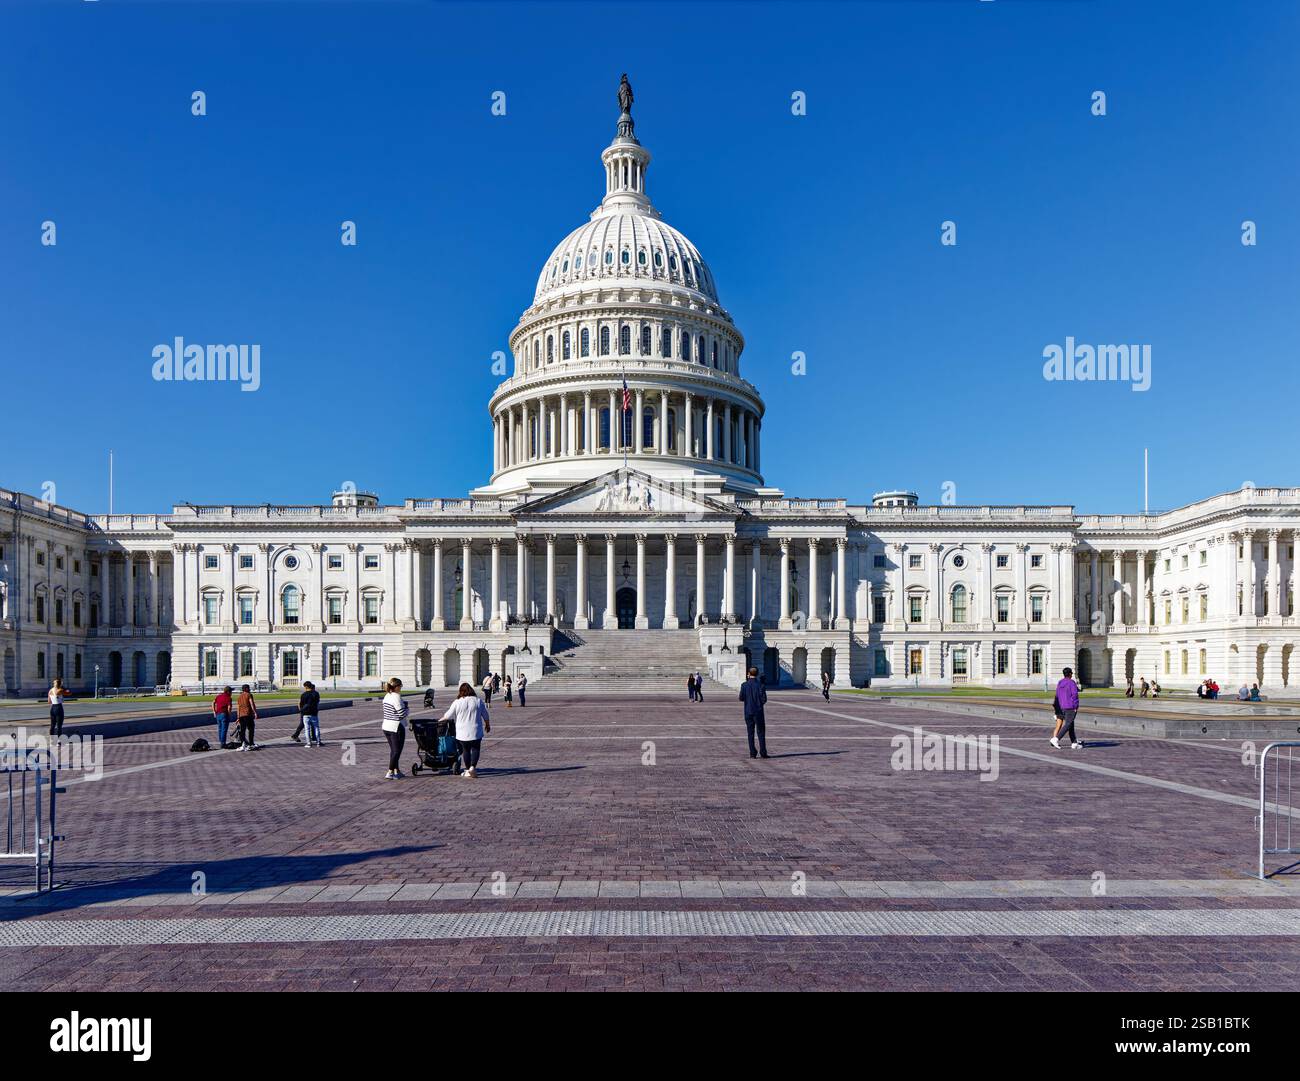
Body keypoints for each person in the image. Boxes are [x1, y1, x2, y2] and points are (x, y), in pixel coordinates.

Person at [441, 682, 490, 778]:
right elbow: (485, 715)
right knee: (476, 749)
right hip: (476, 730)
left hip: (462, 732)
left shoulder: (457, 702)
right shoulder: (478, 701)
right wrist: (487, 725)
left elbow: (447, 716)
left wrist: (439, 721)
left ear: (461, 691)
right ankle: (472, 767)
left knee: (465, 750)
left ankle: (468, 770)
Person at [381, 677, 409, 779]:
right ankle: (390, 771)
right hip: (396, 726)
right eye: (400, 686)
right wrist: (407, 708)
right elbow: (402, 714)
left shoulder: (387, 696)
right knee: (397, 751)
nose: (401, 688)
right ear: (396, 687)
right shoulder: (396, 697)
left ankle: (397, 771)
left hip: (386, 726)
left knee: (393, 750)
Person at [738, 667, 769, 759]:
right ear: (757, 674)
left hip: (748, 711)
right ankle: (763, 752)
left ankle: (752, 753)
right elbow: (764, 699)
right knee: (761, 732)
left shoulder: (744, 685)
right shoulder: (761, 685)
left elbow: (741, 698)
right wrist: (759, 704)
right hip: (758, 712)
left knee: (750, 733)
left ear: (748, 674)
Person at [1050, 666, 1083, 750]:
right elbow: (1075, 695)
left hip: (1062, 707)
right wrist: (1076, 706)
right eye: (1071, 673)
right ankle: (1056, 739)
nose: (1072, 674)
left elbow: (1057, 696)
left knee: (1071, 724)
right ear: (1069, 674)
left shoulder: (1060, 682)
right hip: (1070, 707)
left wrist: (1057, 708)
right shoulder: (1071, 683)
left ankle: (1074, 743)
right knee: (1068, 724)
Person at [236, 684, 260, 751]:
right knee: (251, 729)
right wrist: (255, 712)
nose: (249, 689)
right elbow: (252, 704)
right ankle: (251, 743)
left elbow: (238, 707)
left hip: (241, 715)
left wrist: (238, 717)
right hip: (248, 714)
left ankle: (243, 743)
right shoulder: (249, 695)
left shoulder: (239, 697)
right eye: (248, 688)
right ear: (246, 689)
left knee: (242, 730)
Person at [299, 680, 322, 747]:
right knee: (316, 728)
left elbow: (301, 704)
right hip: (314, 712)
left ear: (306, 687)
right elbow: (317, 702)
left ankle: (309, 743)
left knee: (307, 729)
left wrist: (301, 710)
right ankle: (318, 742)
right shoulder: (316, 693)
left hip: (306, 713)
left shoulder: (303, 694)